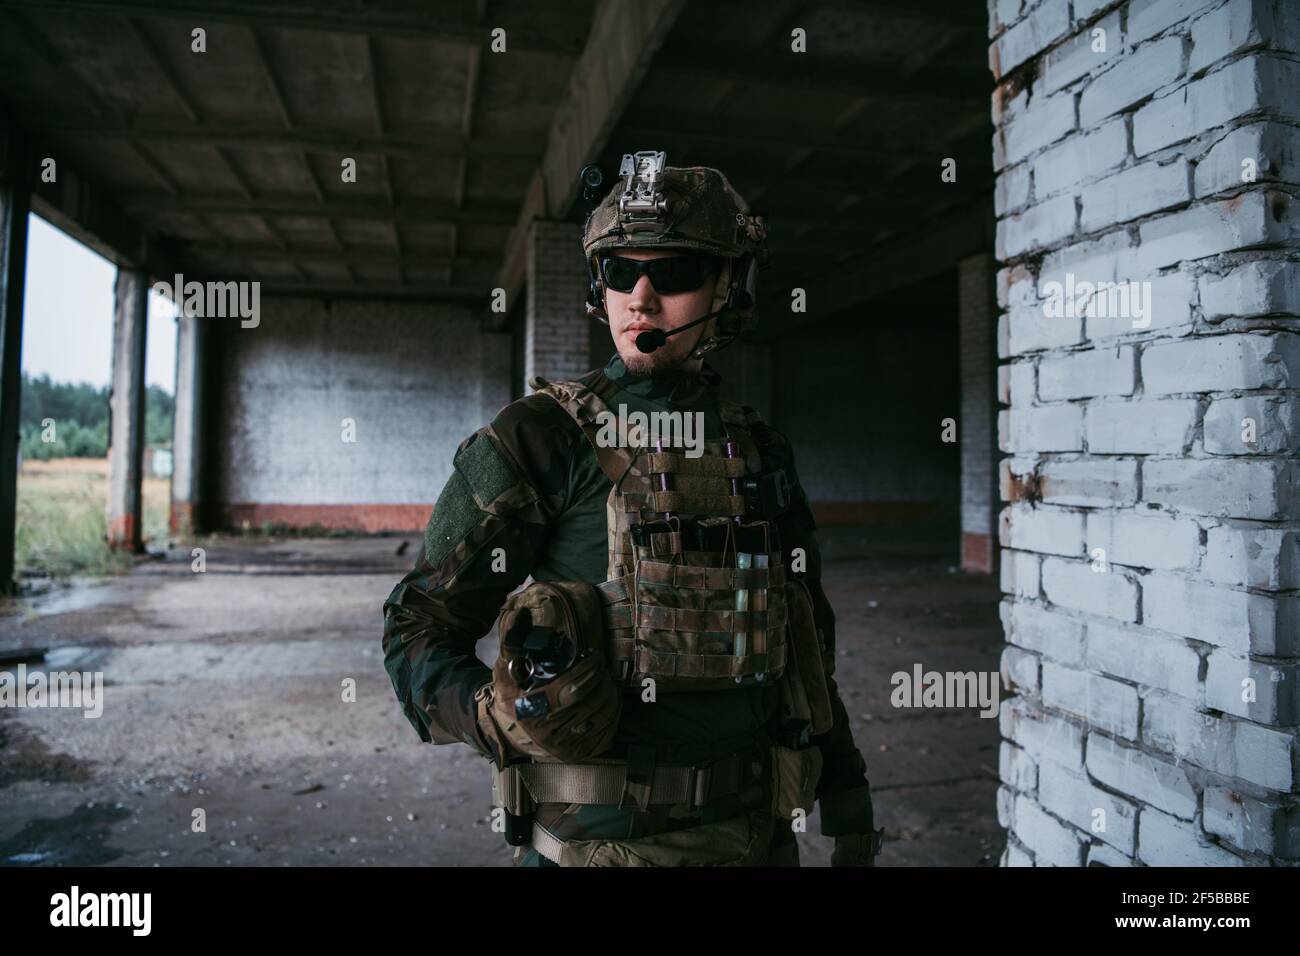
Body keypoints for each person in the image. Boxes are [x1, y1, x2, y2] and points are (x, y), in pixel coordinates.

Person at [381, 150, 882, 866]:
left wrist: (847, 795)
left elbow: (806, 640)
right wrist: (500, 717)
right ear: (600, 285)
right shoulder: (538, 437)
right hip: (600, 851)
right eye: (620, 271)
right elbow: (417, 626)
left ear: (727, 289)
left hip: (756, 840)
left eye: (674, 274)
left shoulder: (760, 449)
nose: (641, 299)